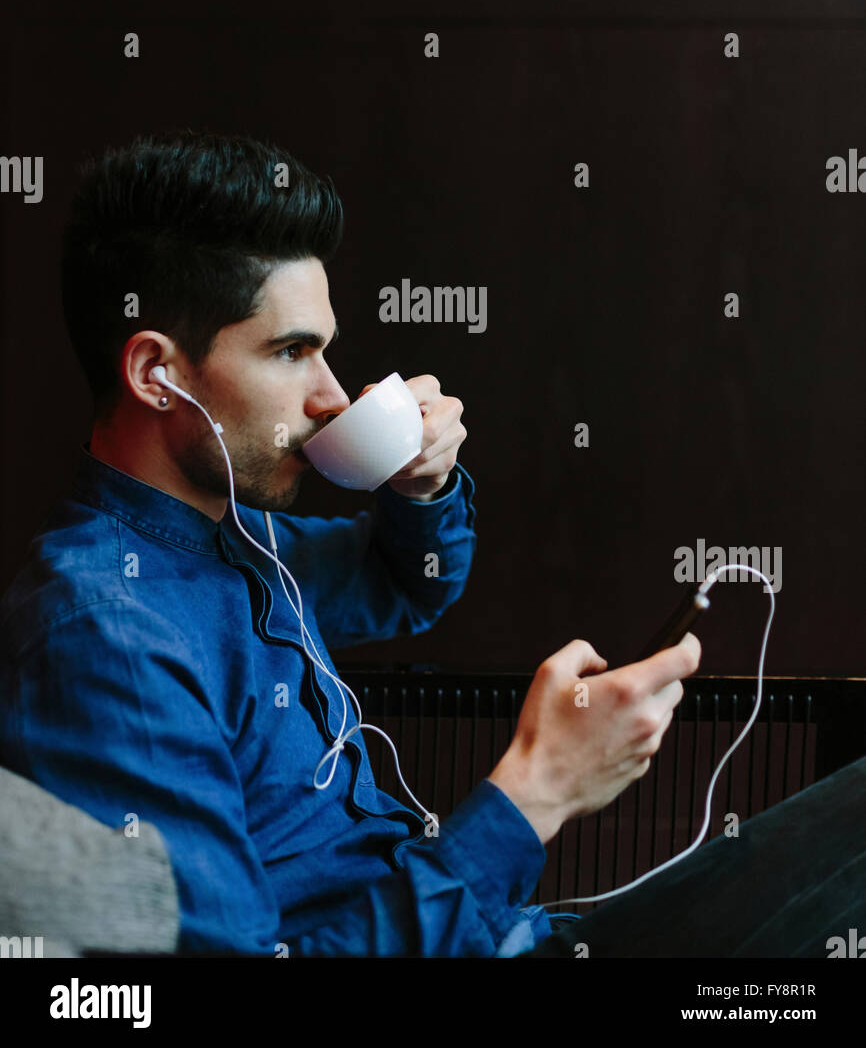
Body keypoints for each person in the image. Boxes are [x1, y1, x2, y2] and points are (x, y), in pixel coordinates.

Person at [4, 130, 857, 959]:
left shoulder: (236, 534)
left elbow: (408, 587)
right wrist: (537, 792)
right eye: (292, 352)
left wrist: (423, 490)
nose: (332, 397)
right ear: (157, 374)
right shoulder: (104, 637)